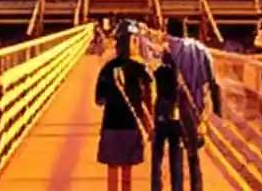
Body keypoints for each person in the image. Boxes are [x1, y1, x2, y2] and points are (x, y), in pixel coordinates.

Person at [164, 18, 222, 191]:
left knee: (175, 152)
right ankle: (197, 187)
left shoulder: (168, 50)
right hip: (196, 108)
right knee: (194, 154)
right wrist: (218, 111)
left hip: (174, 108)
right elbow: (213, 81)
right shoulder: (201, 48)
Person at [95, 30, 153, 190]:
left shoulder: (107, 69)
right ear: (133, 45)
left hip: (111, 124)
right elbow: (148, 95)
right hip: (132, 125)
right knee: (127, 170)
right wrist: (149, 121)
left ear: (117, 46)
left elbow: (99, 100)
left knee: (112, 169)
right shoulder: (140, 68)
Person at [151, 51, 185, 191]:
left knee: (157, 154)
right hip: (175, 116)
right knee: (175, 155)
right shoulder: (178, 75)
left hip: (160, 114)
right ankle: (177, 187)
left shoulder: (158, 72)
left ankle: (156, 186)